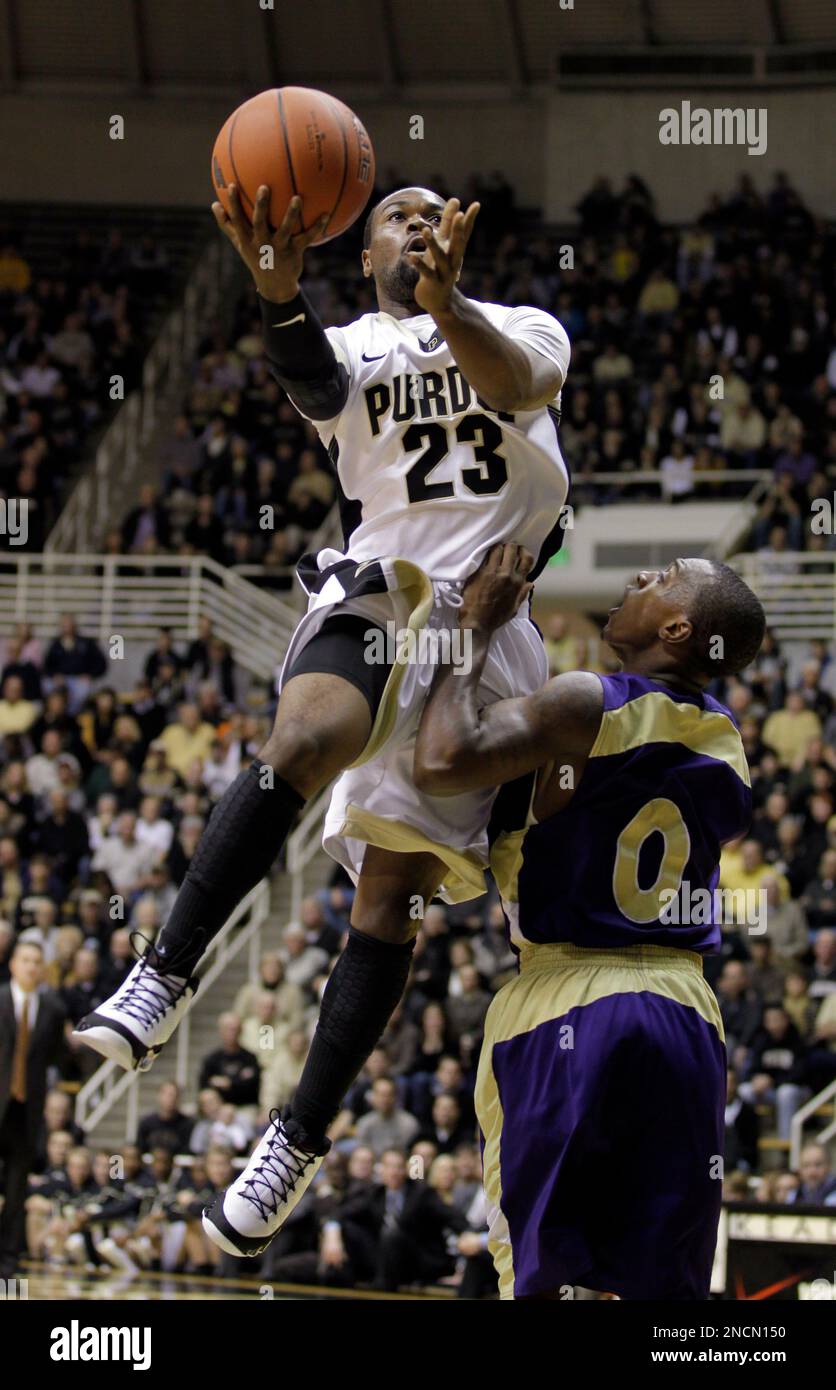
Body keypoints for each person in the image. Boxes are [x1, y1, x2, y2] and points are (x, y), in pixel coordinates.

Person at [74, 181, 572, 1258]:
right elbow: (307, 379)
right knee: (303, 734)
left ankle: (294, 1138)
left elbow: (517, 380)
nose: (419, 223)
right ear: (364, 253)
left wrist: (449, 306)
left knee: (389, 897)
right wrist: (273, 295)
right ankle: (164, 968)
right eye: (396, 214)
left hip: (489, 622)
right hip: (385, 584)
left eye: (433, 211)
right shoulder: (351, 341)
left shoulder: (523, 326)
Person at [414, 544, 766, 1299]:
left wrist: (473, 627)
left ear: (676, 629)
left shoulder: (586, 703)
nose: (639, 578)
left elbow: (442, 759)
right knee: (666, 1292)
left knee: (542, 1280)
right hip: (684, 1014)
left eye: (662, 578)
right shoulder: (729, 745)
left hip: (569, 1001)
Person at [0, 940, 66, 1277]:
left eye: (37, 961)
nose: (31, 966)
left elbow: (56, 1059)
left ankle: (8, 1261)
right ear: (13, 964)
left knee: (16, 1191)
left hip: (26, 1112)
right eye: (25, 960)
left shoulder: (53, 1009)